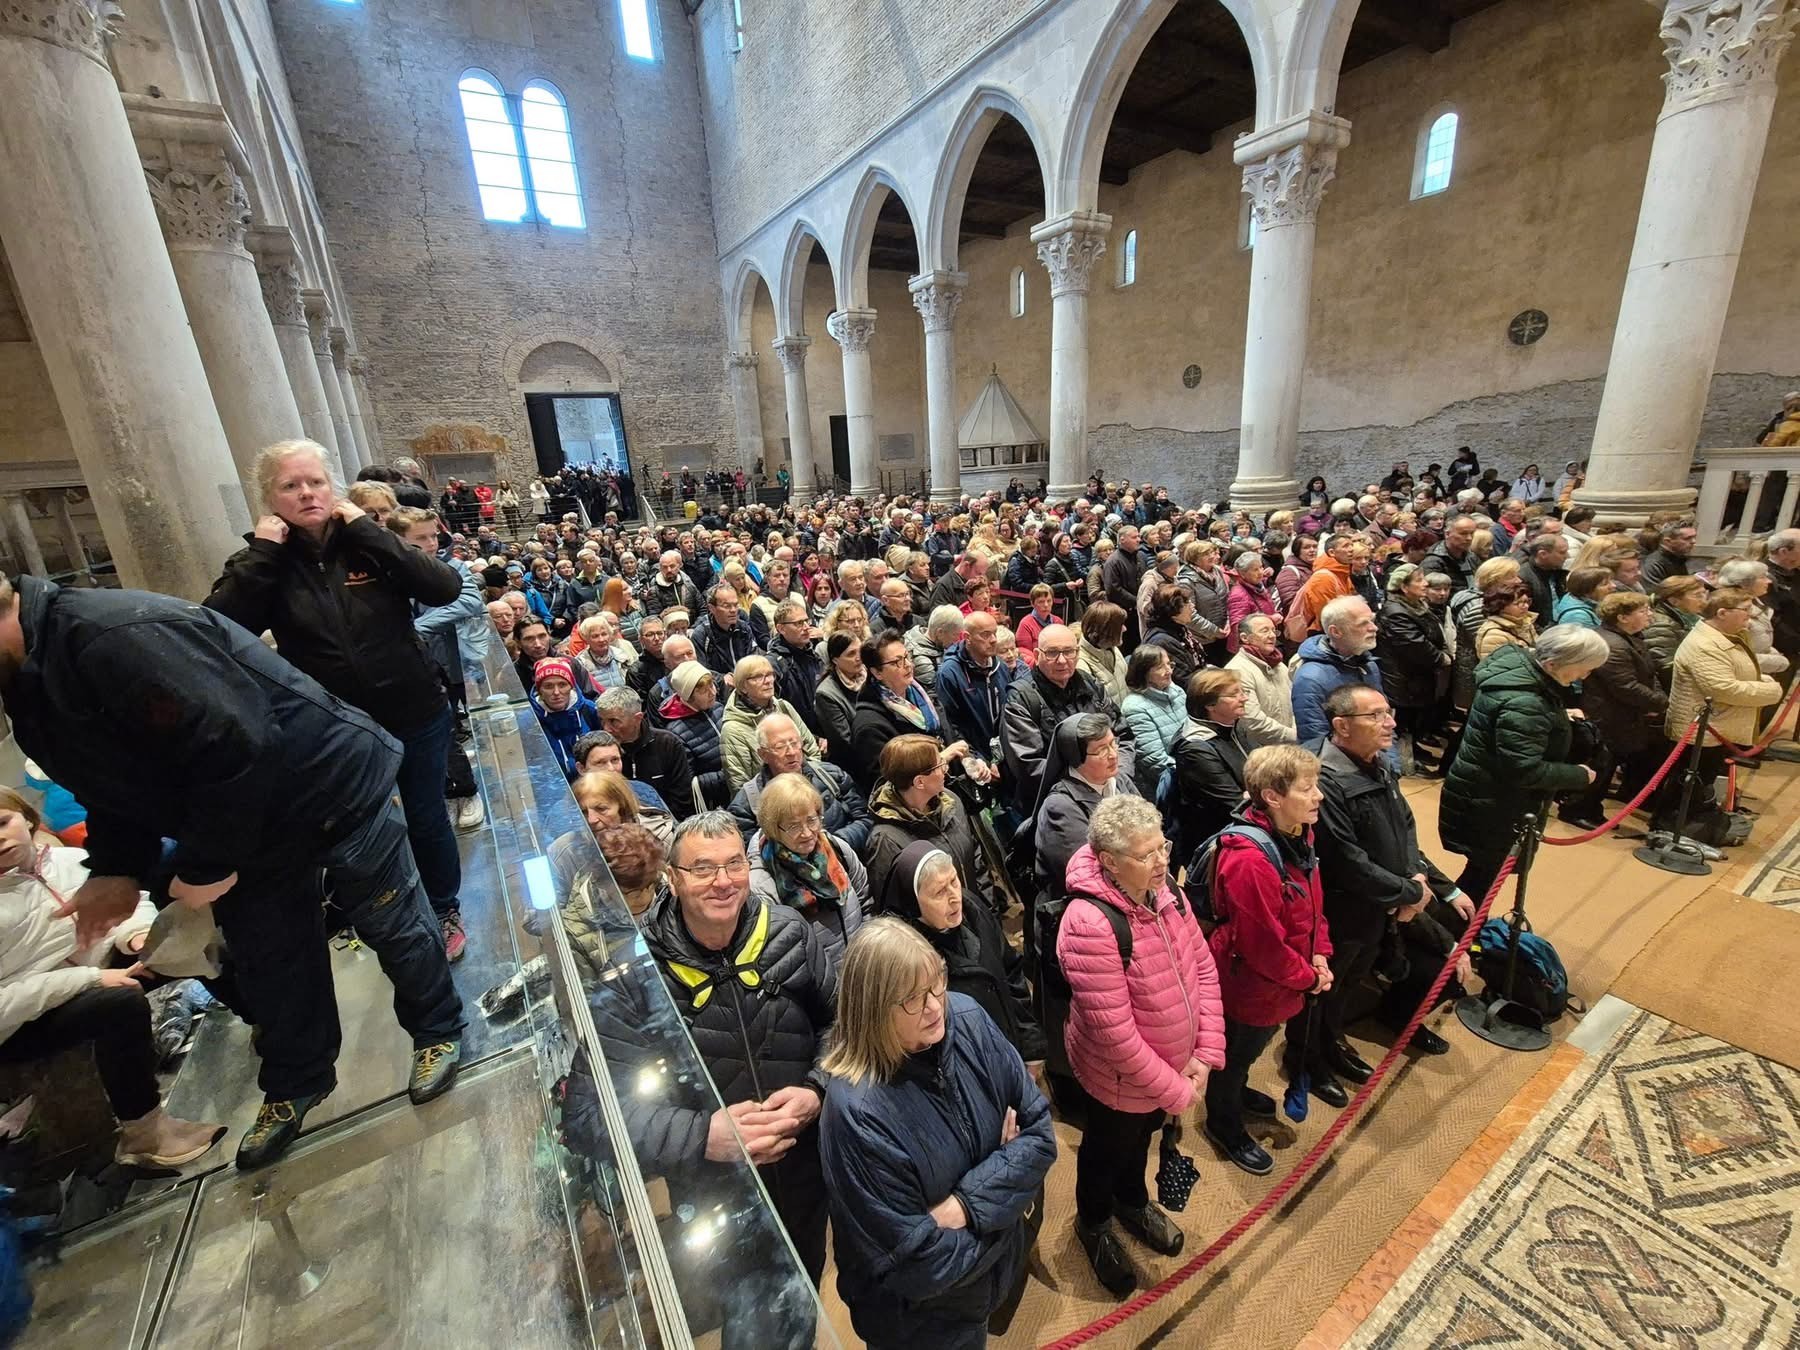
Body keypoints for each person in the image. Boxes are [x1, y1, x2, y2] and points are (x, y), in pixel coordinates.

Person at [3, 573, 464, 1169]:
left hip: (326, 788)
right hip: (247, 819)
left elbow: (235, 743)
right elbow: (111, 778)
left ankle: (437, 1030)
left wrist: (206, 861)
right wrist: (117, 869)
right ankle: (297, 1080)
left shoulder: (107, 635)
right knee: (272, 955)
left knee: (391, 922)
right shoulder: (29, 670)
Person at [206, 439, 471, 960]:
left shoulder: (367, 543)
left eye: (316, 482)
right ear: (269, 498)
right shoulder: (260, 562)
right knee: (357, 827)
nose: (306, 493)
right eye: (290, 485)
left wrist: (368, 530)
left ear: (333, 488)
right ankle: (376, 911)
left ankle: (443, 908)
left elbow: (441, 587)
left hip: (413, 709)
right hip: (335, 726)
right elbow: (220, 629)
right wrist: (263, 553)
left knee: (425, 815)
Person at [618, 813, 837, 1288]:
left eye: (734, 863)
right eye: (702, 868)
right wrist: (701, 1136)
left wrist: (818, 1088)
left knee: (806, 1291)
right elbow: (597, 1111)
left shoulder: (789, 933)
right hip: (714, 1195)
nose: (723, 881)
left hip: (806, 1173)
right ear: (672, 880)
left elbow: (842, 1025)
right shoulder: (637, 975)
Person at [817, 918, 1055, 1350]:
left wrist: (964, 1205)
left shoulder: (967, 1017)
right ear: (873, 1010)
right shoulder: (856, 1113)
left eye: (936, 983)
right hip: (918, 1324)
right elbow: (921, 1266)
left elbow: (1039, 1137)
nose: (934, 1006)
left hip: (978, 1294)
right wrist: (1005, 1189)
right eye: (912, 998)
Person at [0, 789, 226, 1167]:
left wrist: (137, 935)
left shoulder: (70, 861)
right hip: (22, 1019)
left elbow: (127, 903)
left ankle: (266, 1023)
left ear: (28, 819)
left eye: (3, 823)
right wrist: (91, 979)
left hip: (90, 974)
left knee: (193, 933)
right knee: (117, 1004)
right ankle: (144, 1135)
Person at [1058, 796, 1222, 1295]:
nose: (1161, 862)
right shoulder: (1089, 922)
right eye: (1146, 854)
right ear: (1109, 862)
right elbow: (1116, 1036)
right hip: (1119, 1077)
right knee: (1106, 1150)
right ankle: (1095, 1224)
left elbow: (1203, 967)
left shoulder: (1166, 888)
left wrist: (1204, 1054)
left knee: (1143, 1141)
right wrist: (1173, 1088)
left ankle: (1132, 1201)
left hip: (1171, 1067)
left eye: (1162, 847)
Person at [1312, 686, 1469, 1069]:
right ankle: (1317, 1056)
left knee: (1445, 941)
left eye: (1389, 712)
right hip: (1349, 909)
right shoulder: (1327, 779)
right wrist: (1410, 891)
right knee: (1333, 988)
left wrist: (1440, 887)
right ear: (1342, 726)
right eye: (1376, 715)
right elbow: (1347, 862)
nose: (1391, 722)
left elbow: (1405, 830)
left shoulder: (1379, 763)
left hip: (1391, 898)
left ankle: (1365, 1028)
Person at [1201, 745, 1330, 1177]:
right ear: (1272, 797)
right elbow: (1261, 946)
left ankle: (1235, 1092)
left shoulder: (1298, 833)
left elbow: (1313, 903)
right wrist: (1308, 977)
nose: (1319, 797)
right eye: (1307, 788)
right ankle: (1223, 1121)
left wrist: (1320, 951)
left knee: (1251, 1050)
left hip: (1286, 978)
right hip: (1251, 985)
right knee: (1235, 1055)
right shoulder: (1250, 860)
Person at [1439, 626, 1606, 899]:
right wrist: (1579, 775)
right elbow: (1524, 769)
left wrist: (1557, 715)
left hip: (1481, 790)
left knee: (1481, 875)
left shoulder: (1516, 673)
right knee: (1480, 881)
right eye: (1583, 668)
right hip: (1495, 803)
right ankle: (1458, 934)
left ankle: (1459, 928)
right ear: (1553, 664)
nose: (1585, 676)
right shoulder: (1526, 701)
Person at [881, 844, 1045, 1063]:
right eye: (939, 892)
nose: (954, 897)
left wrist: (1030, 1047)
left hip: (1011, 1048)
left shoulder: (971, 907)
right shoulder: (906, 958)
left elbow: (1011, 971)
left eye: (954, 881)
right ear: (914, 904)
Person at [1663, 587, 1783, 835]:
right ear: (1722, 613)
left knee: (1702, 781)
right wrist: (1771, 690)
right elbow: (1724, 688)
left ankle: (1694, 824)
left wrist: (1763, 683)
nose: (1749, 618)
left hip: (1717, 724)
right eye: (1745, 612)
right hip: (1701, 727)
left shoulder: (1728, 636)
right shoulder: (1706, 644)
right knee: (1690, 782)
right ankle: (1678, 828)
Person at [1000, 623, 1133, 811]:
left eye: (1069, 652)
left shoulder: (1089, 683)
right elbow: (1029, 766)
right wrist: (1089, 783)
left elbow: (1123, 733)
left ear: (1077, 653)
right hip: (1060, 804)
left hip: (1111, 790)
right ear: (1037, 656)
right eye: (1052, 653)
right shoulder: (1022, 699)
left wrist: (1119, 774)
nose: (1062, 660)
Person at [865, 736, 997, 921]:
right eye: (939, 765)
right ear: (919, 782)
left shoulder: (950, 801)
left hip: (977, 919)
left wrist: (988, 911)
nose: (946, 769)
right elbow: (896, 912)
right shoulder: (886, 841)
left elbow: (975, 860)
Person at [747, 773, 869, 966]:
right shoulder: (761, 885)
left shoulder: (836, 848)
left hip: (861, 967)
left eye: (812, 820)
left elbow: (865, 899)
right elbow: (779, 958)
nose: (807, 833)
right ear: (773, 828)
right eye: (794, 826)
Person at [728, 714, 873, 852]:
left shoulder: (831, 775)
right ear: (763, 755)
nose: (791, 752)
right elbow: (750, 855)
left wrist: (833, 844)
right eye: (780, 747)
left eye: (794, 743)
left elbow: (865, 820)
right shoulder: (748, 803)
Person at [1032, 715, 1138, 901]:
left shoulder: (1119, 780)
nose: (1113, 755)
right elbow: (1088, 875)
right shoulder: (1059, 807)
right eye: (1101, 750)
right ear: (1076, 758)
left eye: (1113, 744)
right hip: (1091, 905)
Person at [1376, 564, 1450, 774]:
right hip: (1402, 680)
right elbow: (1416, 646)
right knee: (1402, 724)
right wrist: (1441, 658)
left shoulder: (1415, 604)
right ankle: (1406, 763)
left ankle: (1413, 751)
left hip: (1416, 677)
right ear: (1404, 587)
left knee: (1414, 721)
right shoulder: (1395, 613)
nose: (1425, 583)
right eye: (1419, 580)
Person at [1173, 669, 1252, 854]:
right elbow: (1235, 803)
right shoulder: (1194, 750)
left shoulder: (1234, 726)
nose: (1244, 698)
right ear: (1210, 704)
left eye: (1242, 692)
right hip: (1221, 840)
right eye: (1234, 694)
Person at [1291, 596, 1387, 746]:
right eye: (1363, 623)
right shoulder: (1310, 679)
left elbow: (1385, 723)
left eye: (1372, 621)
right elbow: (1316, 744)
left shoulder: (1369, 665)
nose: (1374, 628)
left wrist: (1390, 766)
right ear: (1336, 632)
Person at [721, 654, 821, 794]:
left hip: (806, 785)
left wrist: (807, 783)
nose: (768, 681)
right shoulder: (733, 729)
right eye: (757, 677)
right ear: (743, 686)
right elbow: (741, 786)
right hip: (771, 798)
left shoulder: (784, 707)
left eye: (770, 674)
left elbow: (811, 749)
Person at [934, 609, 1013, 759]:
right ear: (967, 637)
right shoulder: (949, 673)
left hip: (1005, 756)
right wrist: (976, 760)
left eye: (994, 633)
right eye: (985, 634)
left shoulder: (1000, 667)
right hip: (975, 761)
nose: (993, 640)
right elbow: (951, 726)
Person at [660, 661, 728, 807]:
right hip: (716, 802)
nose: (712, 692)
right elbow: (688, 782)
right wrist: (726, 775)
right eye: (703, 691)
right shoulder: (675, 733)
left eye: (712, 685)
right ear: (688, 696)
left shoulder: (718, 707)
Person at [1120, 646, 1185, 797]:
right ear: (1144, 672)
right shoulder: (1134, 707)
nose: (1168, 670)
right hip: (1172, 783)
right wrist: (1192, 773)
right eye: (1160, 667)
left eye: (1169, 664)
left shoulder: (1177, 692)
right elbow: (1154, 760)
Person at [1225, 613, 1296, 749]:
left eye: (1273, 630)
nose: (1272, 635)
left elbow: (1295, 700)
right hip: (1262, 750)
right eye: (1264, 631)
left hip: (1291, 743)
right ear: (1245, 638)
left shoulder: (1280, 665)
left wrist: (1297, 730)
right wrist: (1294, 736)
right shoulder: (1237, 670)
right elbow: (1253, 722)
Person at [529, 656, 604, 779]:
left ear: (571, 686)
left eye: (562, 684)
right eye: (548, 686)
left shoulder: (589, 711)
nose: (556, 692)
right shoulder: (531, 721)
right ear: (539, 690)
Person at [814, 631, 869, 779]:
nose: (859, 658)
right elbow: (845, 742)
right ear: (835, 660)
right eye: (851, 654)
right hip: (856, 764)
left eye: (860, 651)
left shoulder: (869, 674)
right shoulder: (826, 694)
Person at [1642, 574, 1707, 689]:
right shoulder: (1660, 625)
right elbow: (1667, 669)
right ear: (1674, 601)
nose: (1704, 600)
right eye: (1697, 595)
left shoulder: (1692, 617)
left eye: (1704, 594)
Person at [1075, 601, 1129, 705]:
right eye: (1120, 626)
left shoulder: (1112, 648)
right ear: (1105, 630)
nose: (1125, 629)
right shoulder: (1081, 665)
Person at [905, 604, 965, 699]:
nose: (957, 639)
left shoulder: (938, 643)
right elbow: (936, 699)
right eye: (955, 634)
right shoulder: (922, 661)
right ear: (940, 632)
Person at [1640, 519, 1697, 589]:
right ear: (1668, 541)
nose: (1694, 541)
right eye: (1687, 538)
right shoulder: (1653, 564)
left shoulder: (1678, 556)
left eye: (1694, 537)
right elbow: (1656, 596)